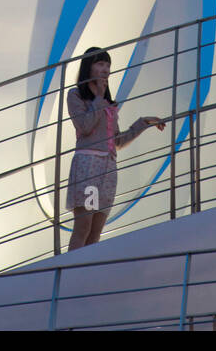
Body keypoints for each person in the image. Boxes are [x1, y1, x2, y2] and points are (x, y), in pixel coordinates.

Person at [65, 47, 165, 250]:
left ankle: (88, 275)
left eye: (108, 65)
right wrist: (99, 99)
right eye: (100, 64)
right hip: (89, 165)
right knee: (83, 227)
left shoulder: (109, 104)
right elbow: (84, 126)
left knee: (95, 231)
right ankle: (70, 274)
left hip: (109, 169)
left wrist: (143, 123)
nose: (105, 69)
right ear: (88, 67)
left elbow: (116, 141)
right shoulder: (76, 95)